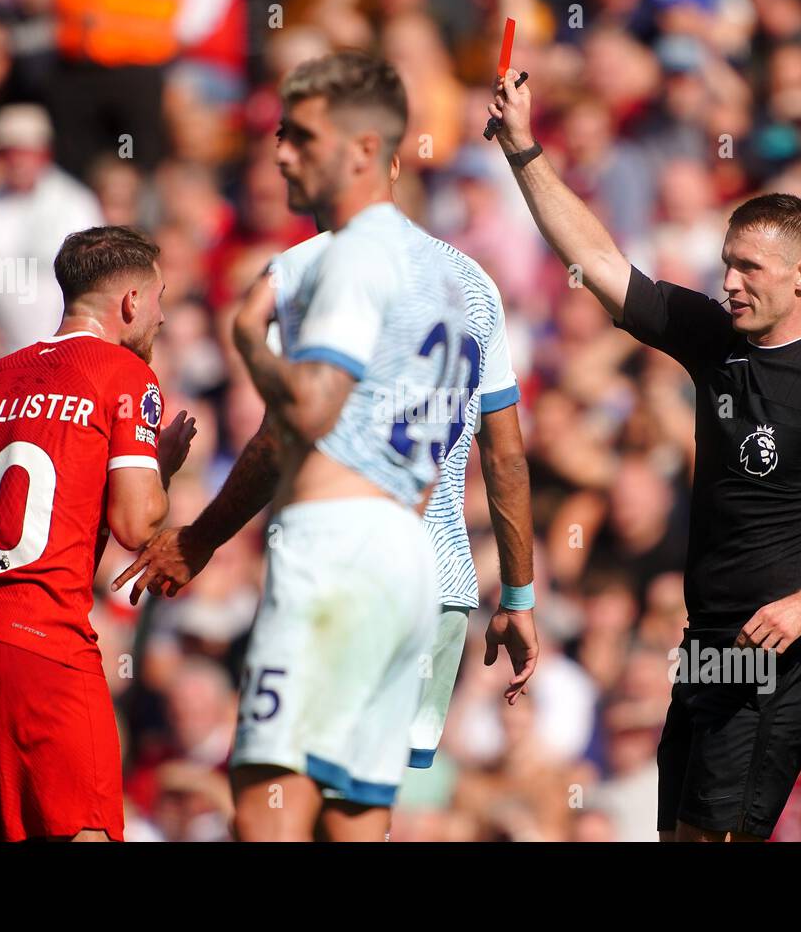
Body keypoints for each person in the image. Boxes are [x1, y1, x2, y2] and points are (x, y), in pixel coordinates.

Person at [486, 69, 801, 841]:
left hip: (777, 652)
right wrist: (525, 149)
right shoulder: (714, 342)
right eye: (726, 263)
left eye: (748, 269)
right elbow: (595, 258)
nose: (728, 282)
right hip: (704, 645)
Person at [124, 51, 467, 842]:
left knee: (266, 802)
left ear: (360, 150)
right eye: (281, 135)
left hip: (334, 554)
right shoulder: (442, 276)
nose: (281, 153)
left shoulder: (349, 257)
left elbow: (305, 413)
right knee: (354, 813)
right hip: (406, 560)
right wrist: (204, 539)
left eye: (302, 138)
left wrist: (249, 337)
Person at [115, 179, 540, 780]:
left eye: (300, 142)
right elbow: (505, 456)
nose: (286, 163)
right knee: (373, 801)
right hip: (439, 583)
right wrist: (519, 596)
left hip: (344, 574)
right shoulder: (470, 280)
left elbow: (279, 435)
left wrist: (200, 538)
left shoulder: (306, 269)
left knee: (281, 791)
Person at [0, 226, 197, 841]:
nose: (165, 316)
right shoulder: (124, 374)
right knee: (82, 830)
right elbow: (133, 524)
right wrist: (161, 470)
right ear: (131, 303)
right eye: (160, 297)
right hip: (41, 636)